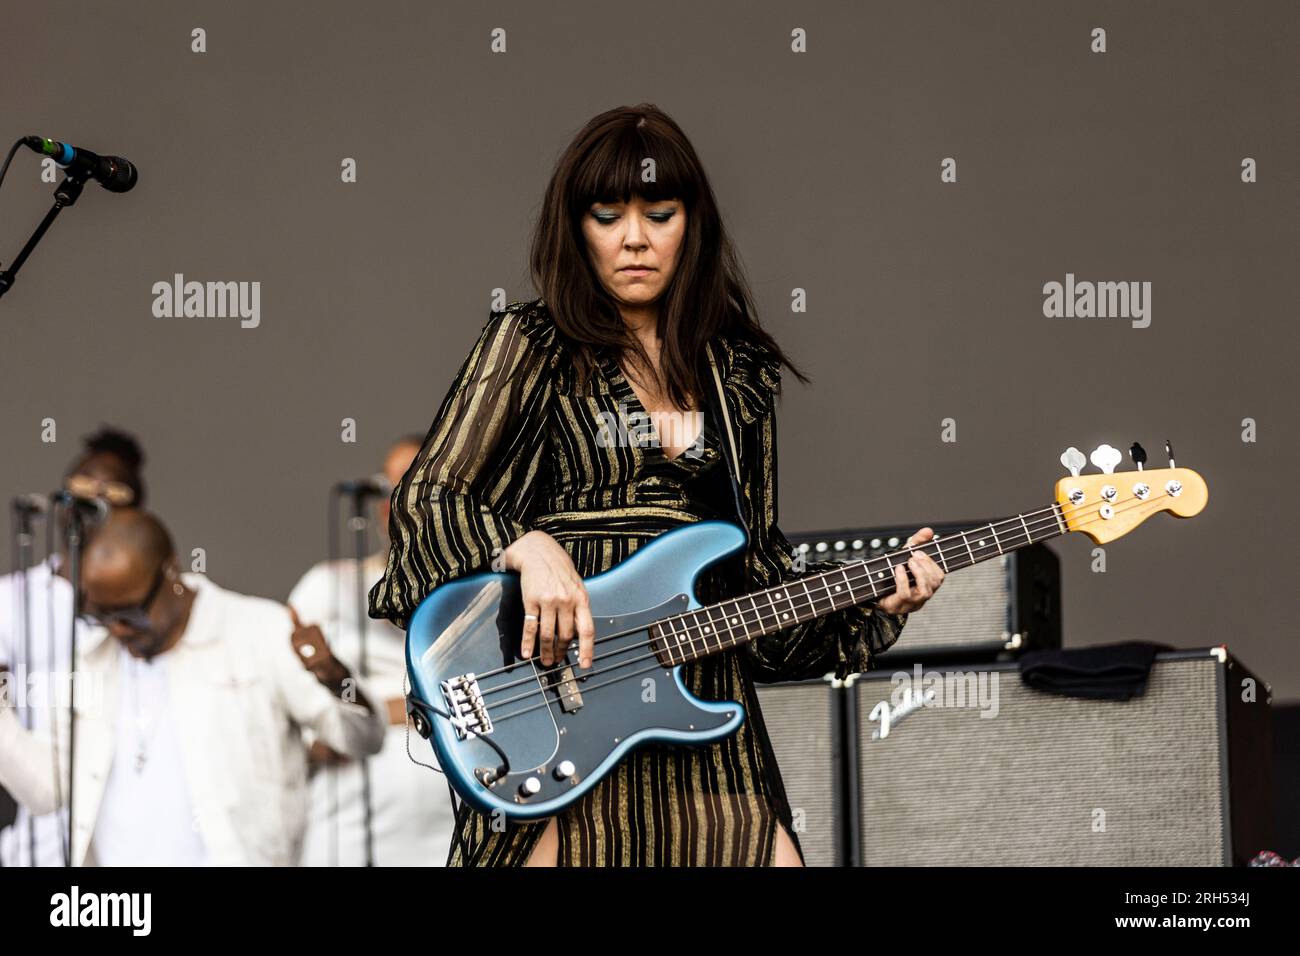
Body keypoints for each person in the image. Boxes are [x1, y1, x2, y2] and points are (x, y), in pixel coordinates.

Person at [368, 105, 946, 867]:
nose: (635, 237)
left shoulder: (738, 373)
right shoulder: (530, 343)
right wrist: (524, 544)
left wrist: (872, 601)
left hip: (704, 708)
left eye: (660, 213)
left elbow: (759, 580)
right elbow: (429, 499)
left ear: (691, 224)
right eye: (608, 216)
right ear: (577, 230)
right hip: (557, 707)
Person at [1, 509, 386, 865]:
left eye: (131, 613)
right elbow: (45, 791)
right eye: (102, 615)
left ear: (171, 573)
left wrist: (337, 679)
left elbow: (363, 739)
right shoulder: (87, 662)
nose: (118, 629)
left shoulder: (260, 630)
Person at [289, 436, 457, 866]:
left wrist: (372, 709)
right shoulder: (327, 584)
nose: (392, 500)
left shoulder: (480, 596)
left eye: (411, 485)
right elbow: (298, 712)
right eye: (386, 486)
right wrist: (425, 708)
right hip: (346, 828)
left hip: (450, 827)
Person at [0, 425, 146, 867]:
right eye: (84, 484)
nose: (95, 494)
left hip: (131, 831)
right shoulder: (11, 597)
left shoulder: (150, 606)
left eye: (112, 488)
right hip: (38, 829)